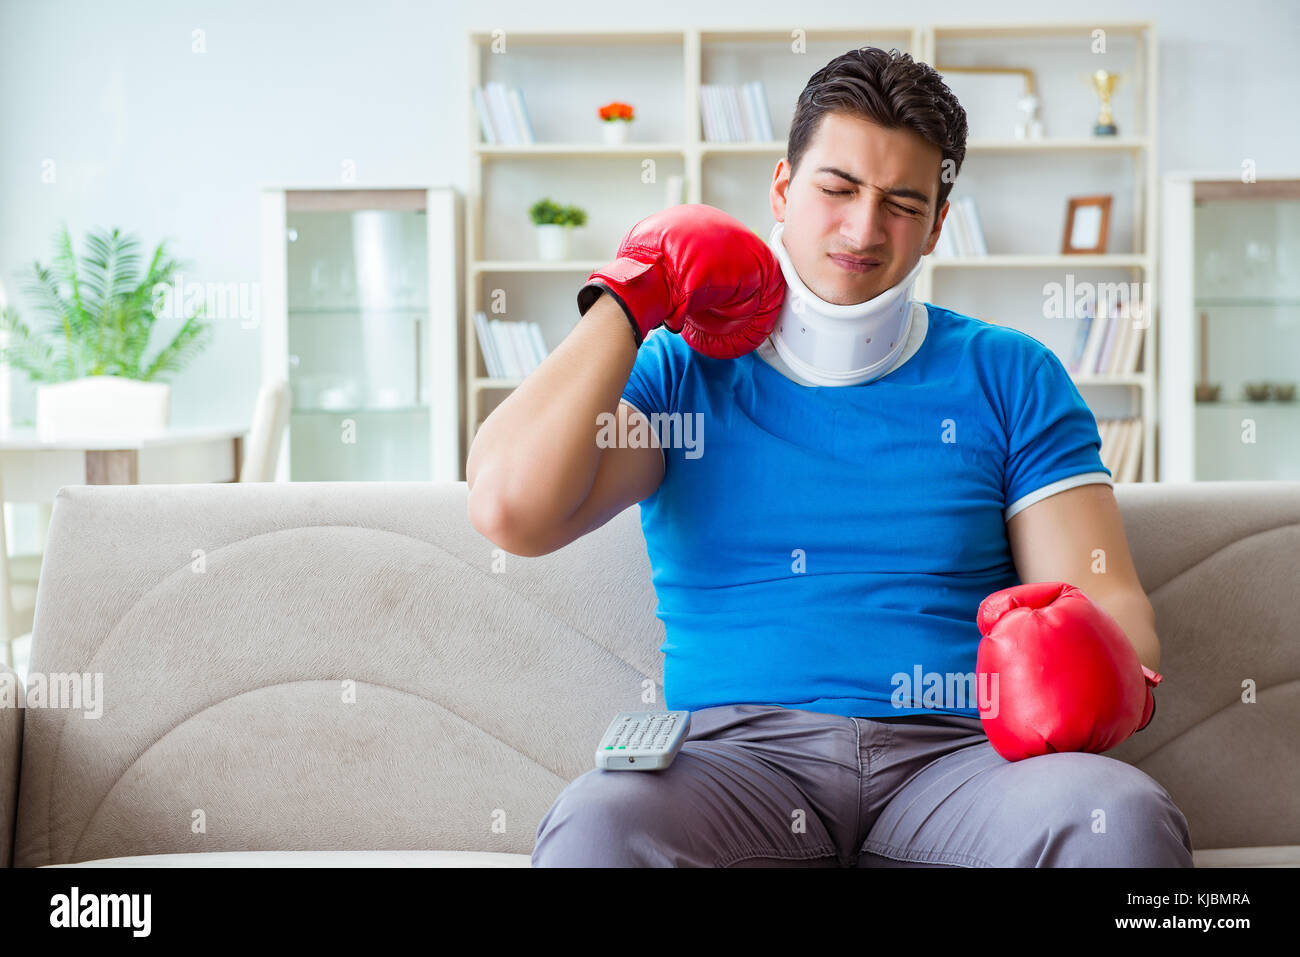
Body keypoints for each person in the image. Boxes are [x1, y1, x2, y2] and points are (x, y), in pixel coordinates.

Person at [466, 46, 1194, 868]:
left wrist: (1091, 673)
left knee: (1120, 815)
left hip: (959, 763)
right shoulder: (680, 368)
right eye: (837, 189)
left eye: (901, 202)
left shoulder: (1011, 374)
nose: (862, 228)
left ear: (936, 225)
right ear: (782, 189)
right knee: (596, 824)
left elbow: (1115, 608)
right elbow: (509, 509)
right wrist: (631, 294)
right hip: (734, 764)